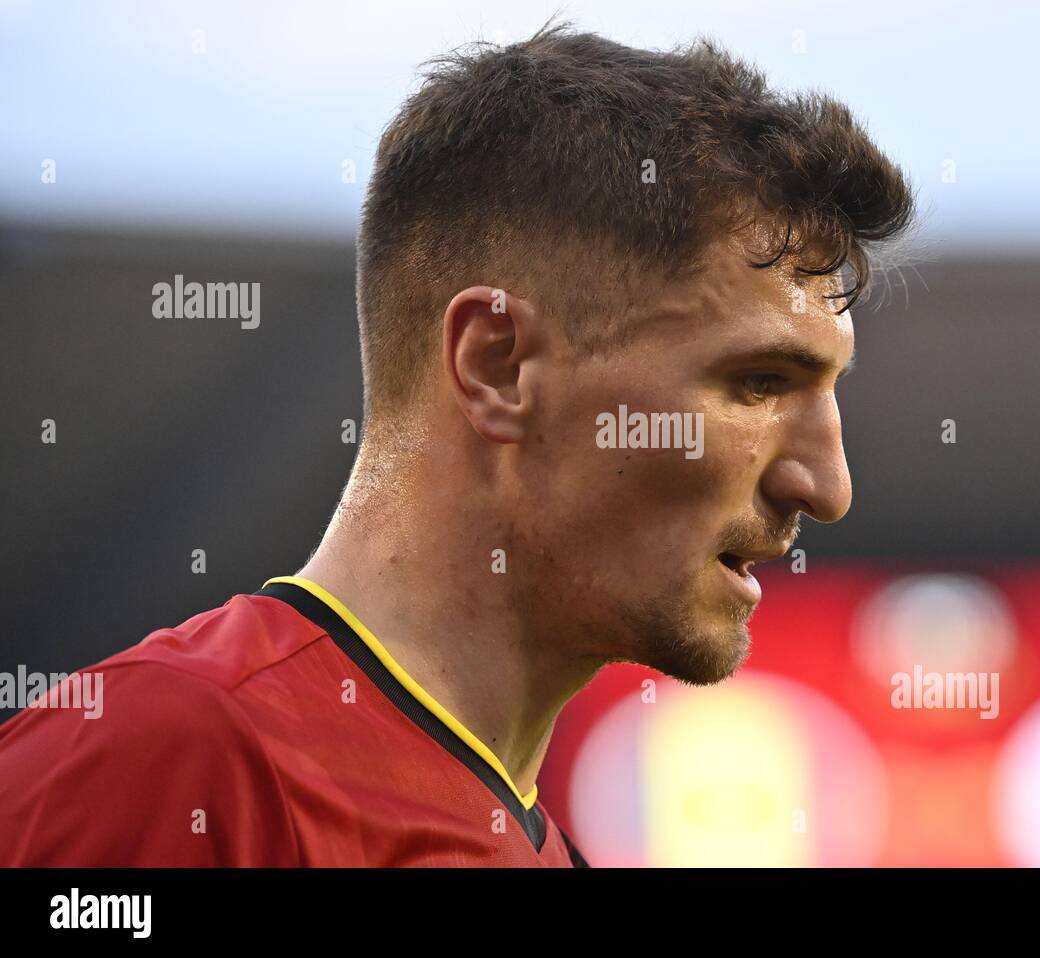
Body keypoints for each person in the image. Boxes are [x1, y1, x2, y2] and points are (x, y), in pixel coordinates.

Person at [0, 21, 914, 867]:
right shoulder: (173, 757)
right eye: (758, 384)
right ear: (498, 364)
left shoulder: (537, 845)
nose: (826, 485)